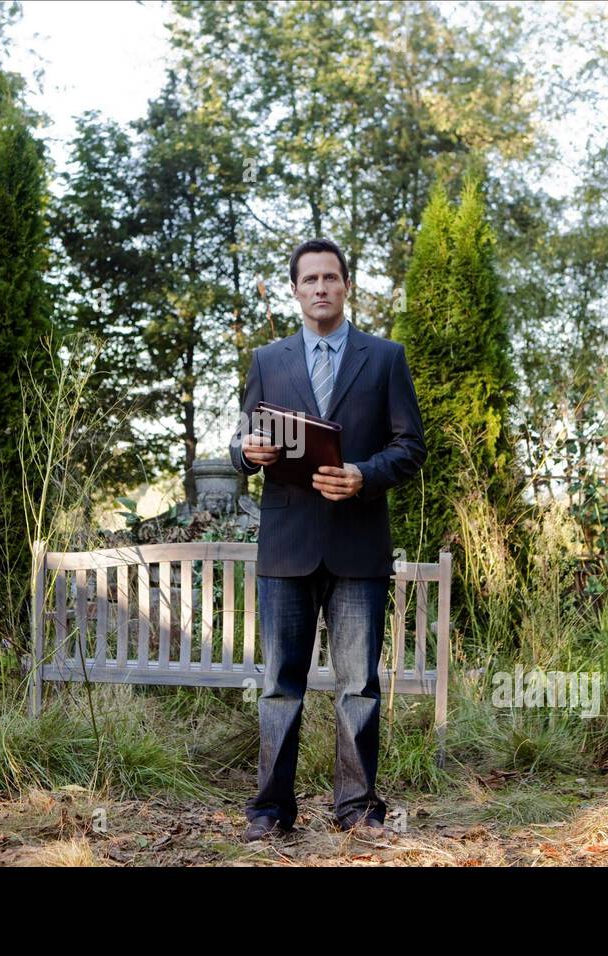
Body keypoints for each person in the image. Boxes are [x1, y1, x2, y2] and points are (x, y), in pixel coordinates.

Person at [229, 237, 426, 842]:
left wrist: (364, 474)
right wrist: (248, 452)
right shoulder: (268, 360)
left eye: (330, 278)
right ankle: (270, 811)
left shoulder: (385, 357)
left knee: (358, 686)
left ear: (346, 287)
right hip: (286, 547)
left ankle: (359, 808)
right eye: (309, 280)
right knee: (279, 685)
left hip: (357, 544)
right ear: (295, 290)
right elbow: (238, 443)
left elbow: (410, 447)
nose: (320, 288)